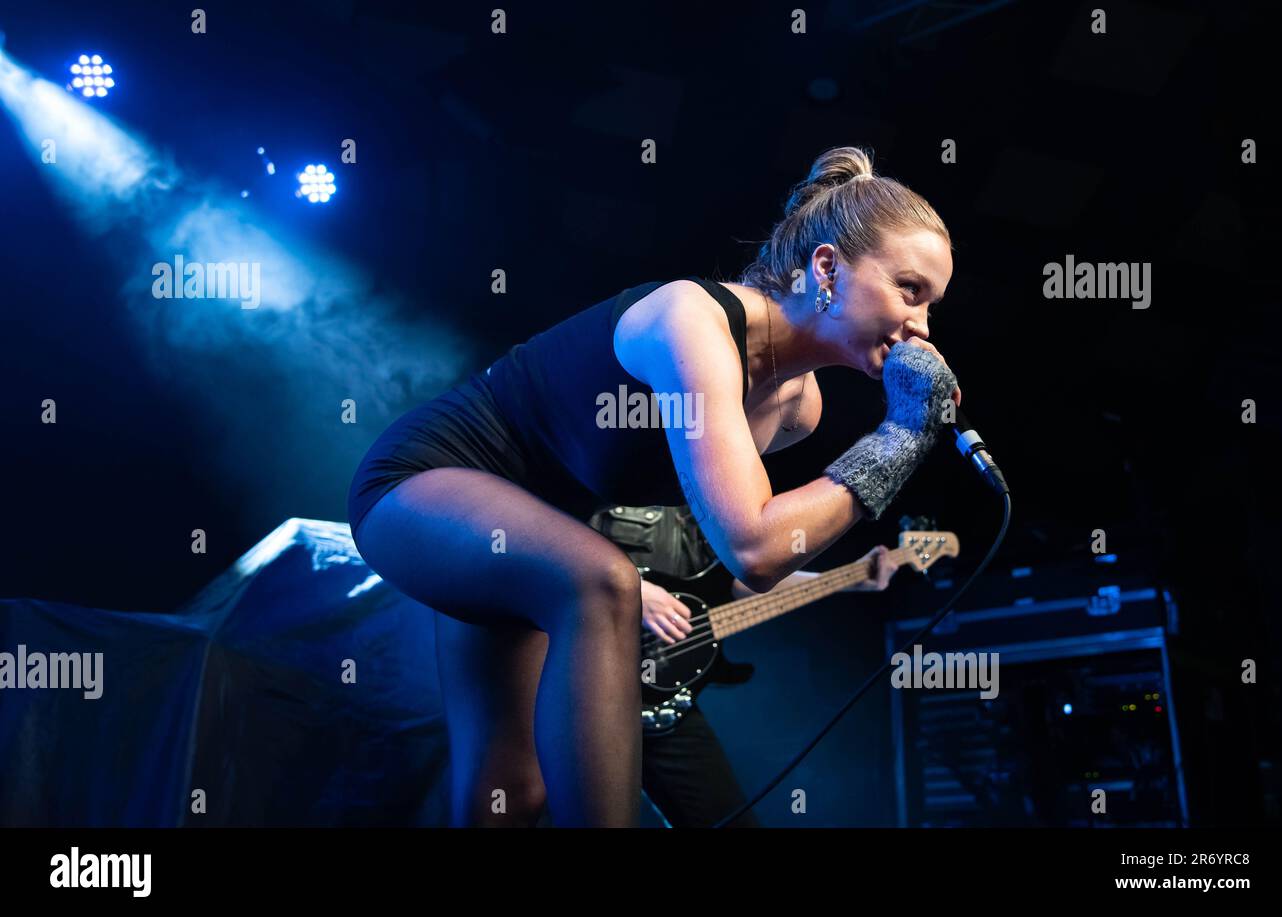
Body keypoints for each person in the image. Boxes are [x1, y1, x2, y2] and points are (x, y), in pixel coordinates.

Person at [346, 145, 960, 827]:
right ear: (826, 268)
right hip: (424, 485)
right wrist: (899, 438)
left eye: (932, 305)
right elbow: (753, 543)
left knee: (510, 796)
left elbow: (753, 560)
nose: (922, 326)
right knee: (604, 582)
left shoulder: (797, 408)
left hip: (536, 544)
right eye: (911, 290)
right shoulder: (693, 322)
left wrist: (891, 471)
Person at [590, 503, 900, 828]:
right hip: (580, 682)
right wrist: (632, 588)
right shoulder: (598, 463)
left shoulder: (695, 492)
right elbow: (541, 535)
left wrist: (850, 579)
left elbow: (740, 581)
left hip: (663, 705)